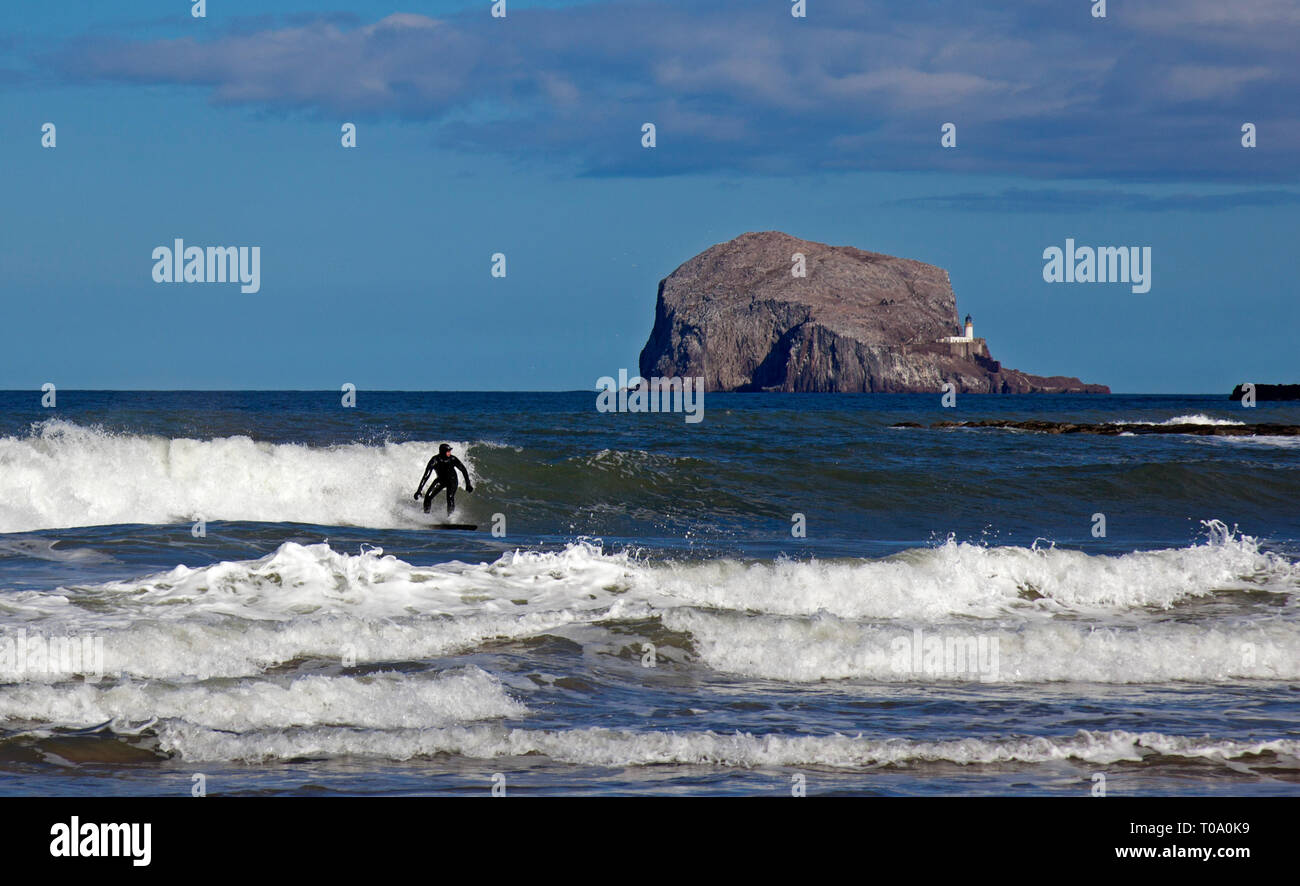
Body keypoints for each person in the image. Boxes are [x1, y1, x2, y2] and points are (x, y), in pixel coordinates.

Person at [414, 443, 474, 515]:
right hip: (440, 480)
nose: (449, 453)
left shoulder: (452, 459)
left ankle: (450, 517)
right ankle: (426, 515)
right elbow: (426, 475)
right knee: (428, 497)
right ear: (442, 452)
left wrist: (468, 484)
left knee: (450, 497)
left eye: (450, 451)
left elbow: (463, 470)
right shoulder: (435, 460)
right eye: (448, 451)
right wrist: (419, 490)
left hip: (452, 481)